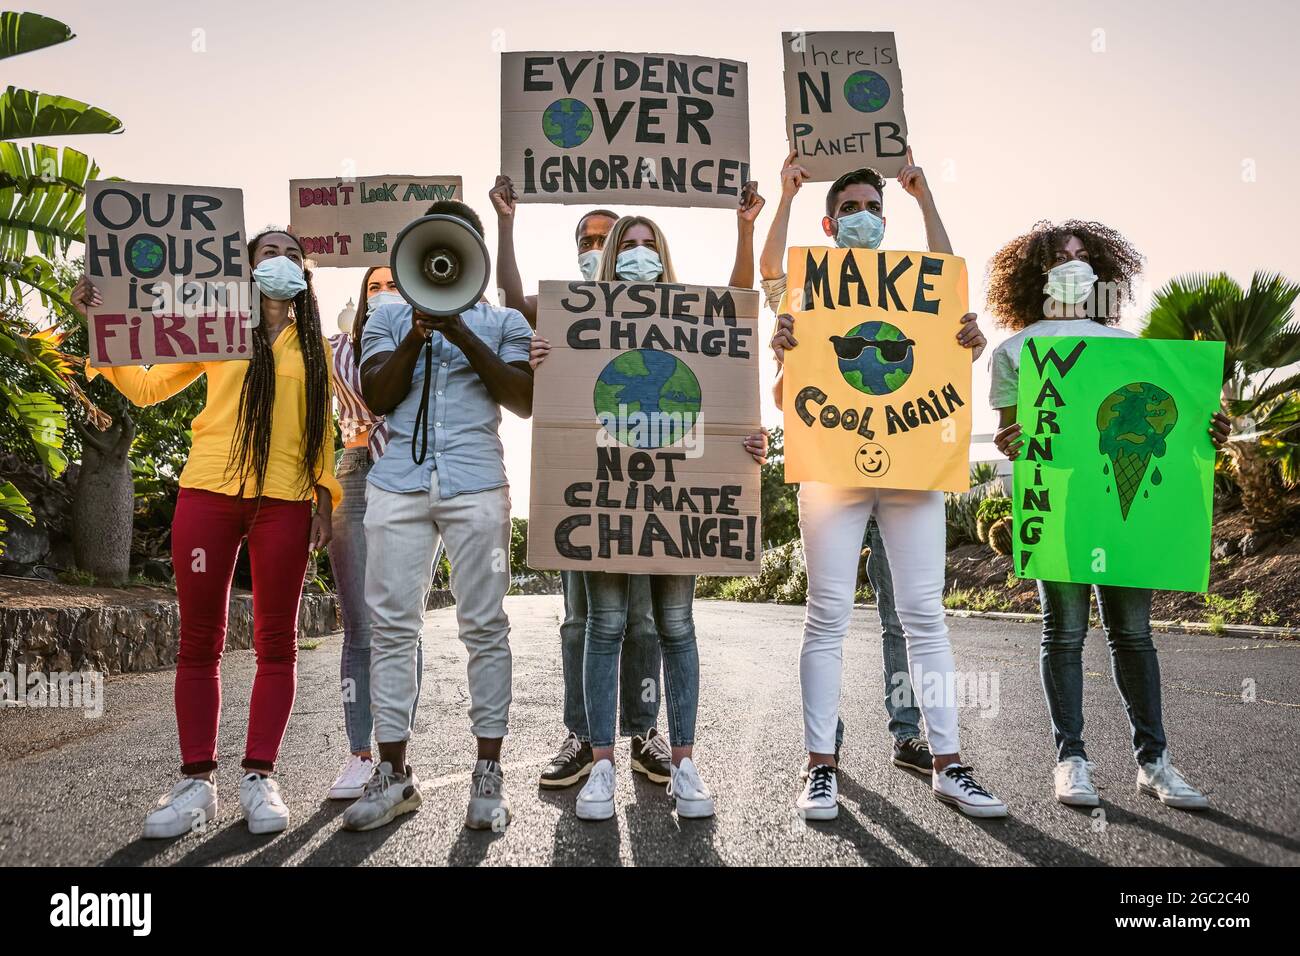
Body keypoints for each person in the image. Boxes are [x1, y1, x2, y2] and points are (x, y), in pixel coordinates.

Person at [489, 174, 766, 789]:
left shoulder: (688, 312)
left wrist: (745, 229)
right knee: (589, 624)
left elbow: (735, 313)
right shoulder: (569, 316)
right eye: (621, 245)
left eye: (648, 244)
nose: (636, 254)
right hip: (597, 489)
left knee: (654, 624)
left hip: (667, 493)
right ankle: (589, 744)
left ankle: (645, 735)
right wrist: (506, 222)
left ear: (663, 256)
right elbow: (511, 298)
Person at [71, 229, 342, 838]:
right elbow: (145, 385)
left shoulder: (316, 345)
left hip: (285, 500)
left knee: (278, 642)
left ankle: (259, 778)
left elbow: (320, 425)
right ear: (244, 269)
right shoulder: (214, 330)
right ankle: (197, 784)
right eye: (268, 253)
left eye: (292, 255)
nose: (281, 262)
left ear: (307, 271)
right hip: (209, 492)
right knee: (199, 642)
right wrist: (94, 319)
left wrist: (325, 494)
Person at [763, 150, 1007, 820]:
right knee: (827, 613)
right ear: (828, 220)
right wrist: (783, 202)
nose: (864, 218)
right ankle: (819, 768)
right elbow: (770, 281)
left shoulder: (919, 284)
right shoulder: (808, 286)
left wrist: (925, 198)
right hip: (832, 463)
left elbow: (951, 285)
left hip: (911, 458)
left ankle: (949, 763)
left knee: (925, 614)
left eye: (875, 208)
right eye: (850, 209)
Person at [987, 220, 1231, 810]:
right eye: (1060, 258)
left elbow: (1180, 429)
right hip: (1063, 503)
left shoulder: (1133, 349)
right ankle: (1071, 759)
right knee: (1063, 633)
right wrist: (1012, 441)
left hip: (1131, 514)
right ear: (1033, 277)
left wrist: (1212, 430)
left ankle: (1154, 763)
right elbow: (1009, 437)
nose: (1074, 266)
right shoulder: (1015, 351)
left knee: (1132, 635)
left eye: (1083, 257)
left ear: (1103, 273)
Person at [340, 199, 534, 832]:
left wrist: (459, 330)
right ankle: (393, 773)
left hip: (477, 483)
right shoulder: (390, 314)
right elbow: (378, 394)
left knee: (484, 625)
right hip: (397, 484)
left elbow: (522, 398)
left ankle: (488, 773)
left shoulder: (504, 320)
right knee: (392, 627)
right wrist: (421, 331)